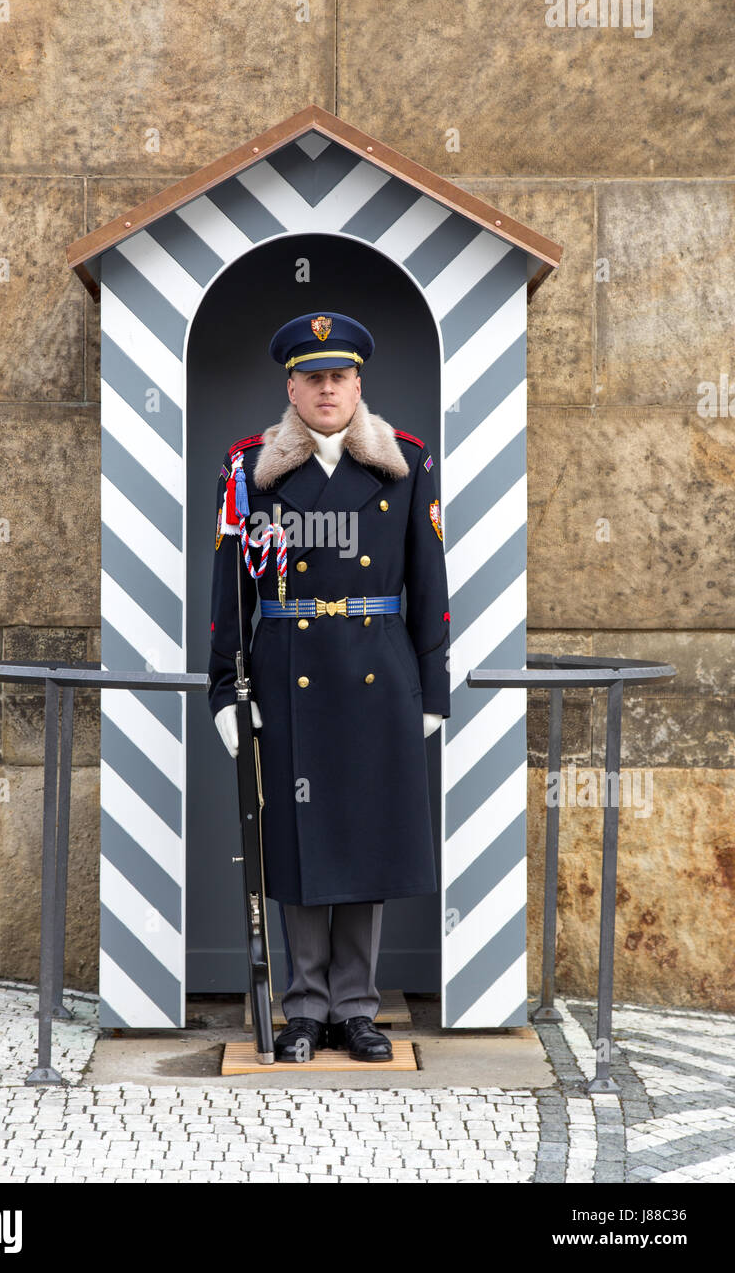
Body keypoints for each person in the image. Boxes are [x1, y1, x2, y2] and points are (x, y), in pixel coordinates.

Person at [207, 310, 451, 1062]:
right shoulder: (251, 470)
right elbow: (229, 593)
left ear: (357, 384)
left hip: (380, 677)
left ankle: (357, 1009)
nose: (327, 389)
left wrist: (433, 691)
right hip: (287, 675)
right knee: (298, 843)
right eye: (313, 378)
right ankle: (304, 1008)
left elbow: (429, 584)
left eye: (339, 377)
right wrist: (224, 690)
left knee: (365, 840)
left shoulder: (405, 463)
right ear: (291, 385)